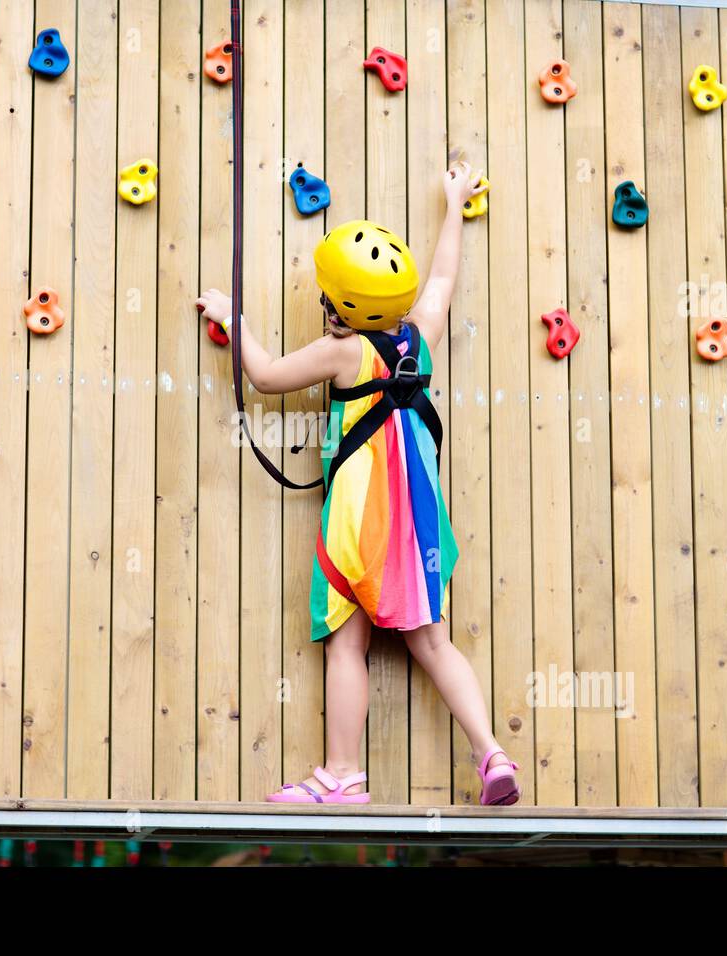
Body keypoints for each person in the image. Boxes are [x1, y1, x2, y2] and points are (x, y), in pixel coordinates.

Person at [195, 162, 519, 806]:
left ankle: (342, 774)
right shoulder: (417, 338)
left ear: (341, 306)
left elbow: (262, 375)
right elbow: (445, 276)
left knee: (346, 641)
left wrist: (235, 320)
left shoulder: (342, 352)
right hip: (420, 519)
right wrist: (453, 204)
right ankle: (492, 751)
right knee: (433, 640)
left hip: (359, 521)